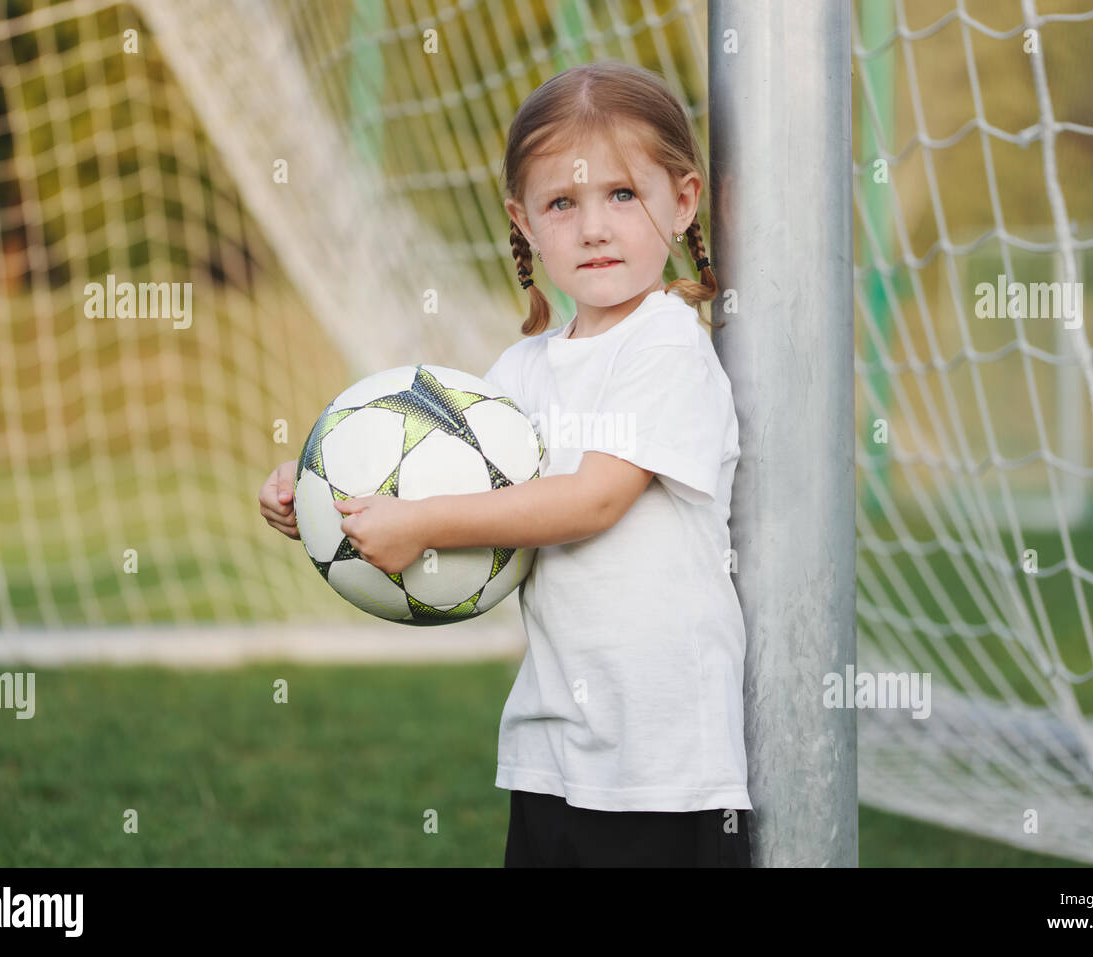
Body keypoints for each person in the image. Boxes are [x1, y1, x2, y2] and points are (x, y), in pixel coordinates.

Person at [258, 59, 751, 868]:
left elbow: (590, 501)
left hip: (662, 762)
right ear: (524, 222)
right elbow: (453, 497)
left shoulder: (664, 345)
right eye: (564, 202)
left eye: (623, 194)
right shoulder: (518, 373)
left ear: (683, 199)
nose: (594, 227)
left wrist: (420, 523)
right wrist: (319, 501)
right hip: (551, 747)